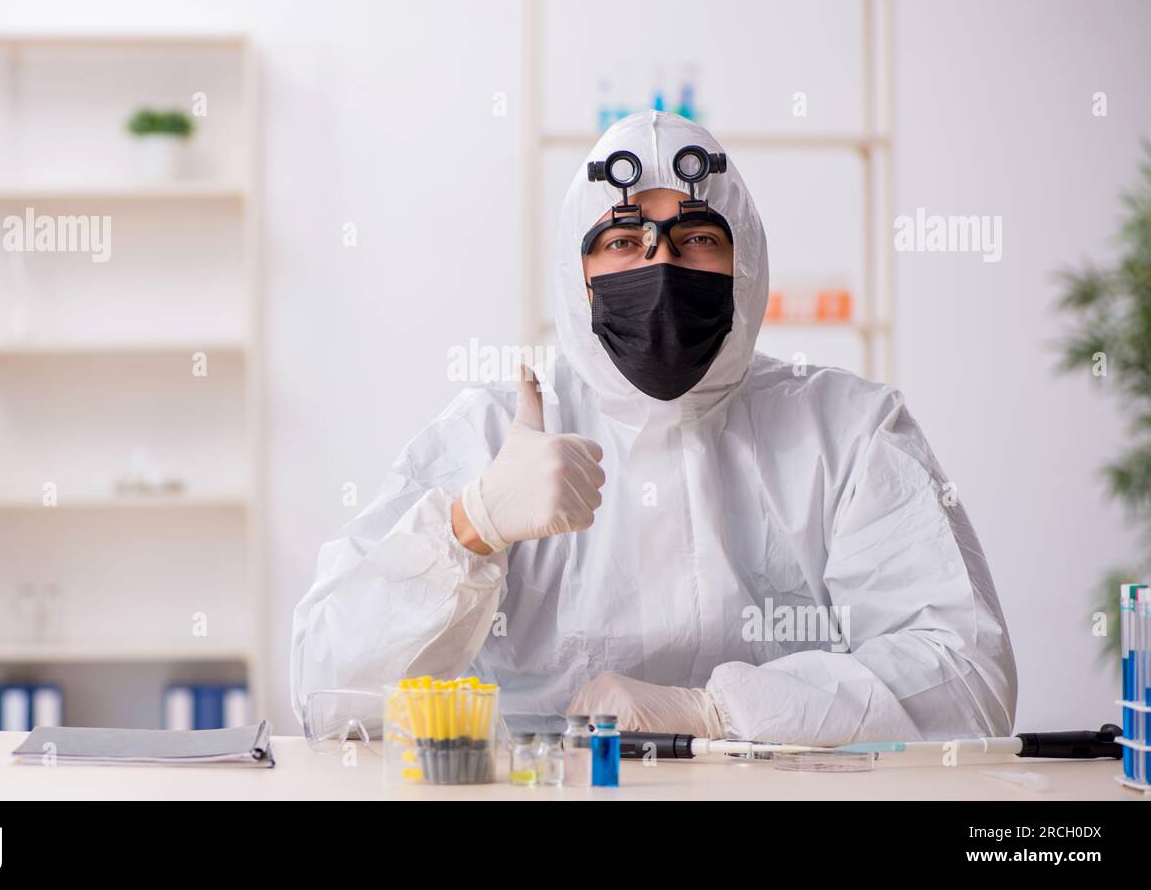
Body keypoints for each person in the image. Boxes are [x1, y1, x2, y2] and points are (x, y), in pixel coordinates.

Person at [291, 111, 1016, 744]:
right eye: (623, 240)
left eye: (697, 237)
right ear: (576, 272)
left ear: (747, 262)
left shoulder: (850, 434)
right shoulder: (491, 435)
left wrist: (714, 711)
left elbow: (967, 681)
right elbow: (328, 697)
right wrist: (469, 524)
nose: (661, 265)